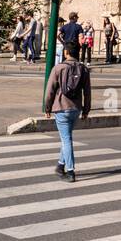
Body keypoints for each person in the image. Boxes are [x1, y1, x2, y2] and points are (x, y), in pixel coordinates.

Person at [43, 41, 91, 182]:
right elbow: (87, 92)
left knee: (66, 139)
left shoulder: (58, 68)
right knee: (67, 138)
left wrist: (47, 108)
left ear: (66, 53)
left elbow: (50, 91)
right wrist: (86, 109)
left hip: (61, 108)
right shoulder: (84, 69)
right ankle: (60, 165)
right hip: (76, 109)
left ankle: (70, 171)